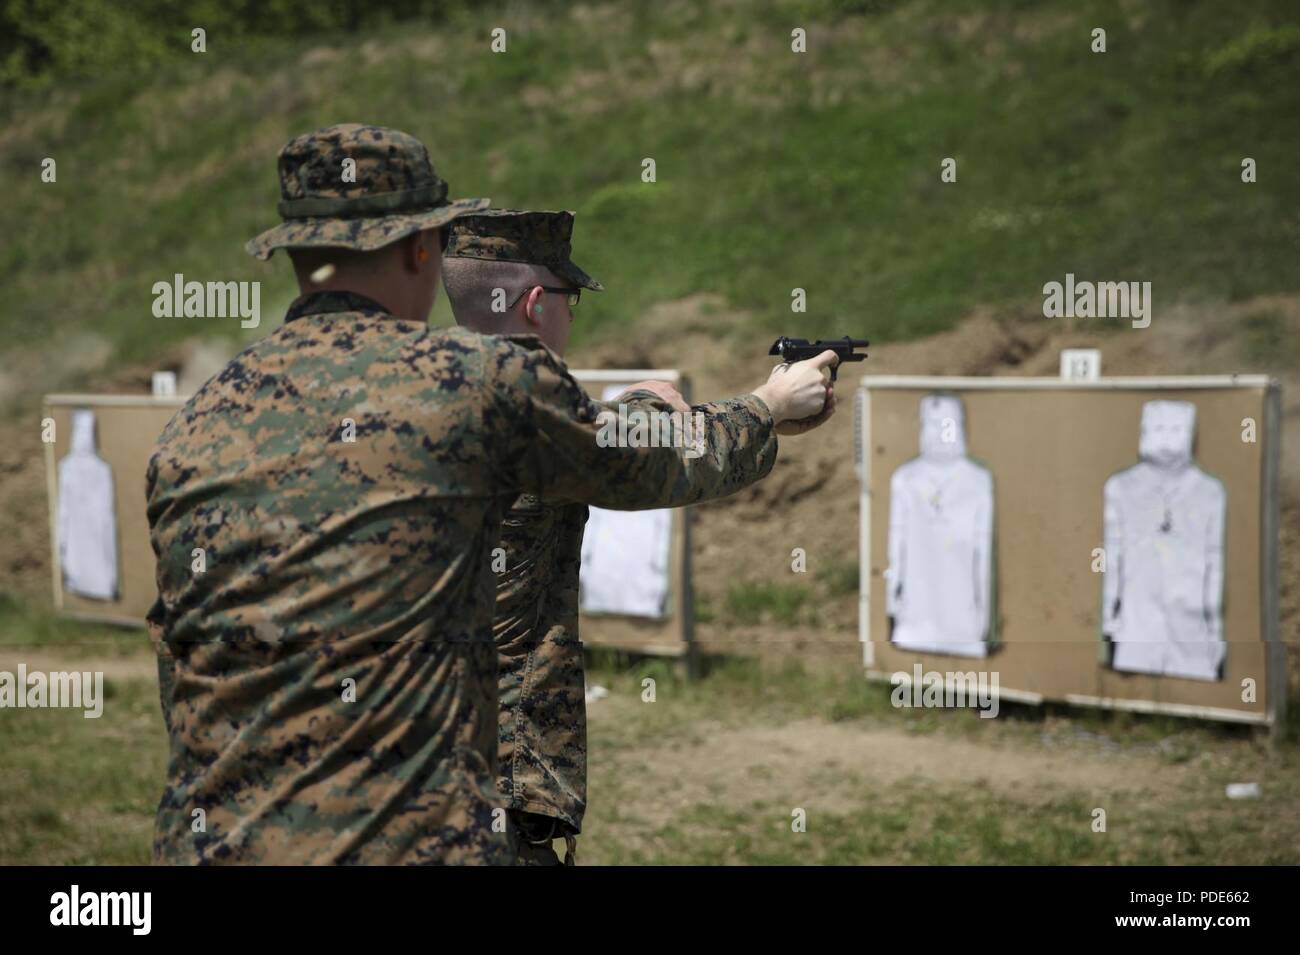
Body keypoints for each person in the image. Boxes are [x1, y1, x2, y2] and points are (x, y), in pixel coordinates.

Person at [145, 125, 838, 864]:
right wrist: (766, 408)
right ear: (422, 250)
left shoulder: (197, 422)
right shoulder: (477, 382)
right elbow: (640, 463)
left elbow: (177, 648)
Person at [442, 209, 837, 864]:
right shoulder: (523, 405)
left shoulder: (421, 396)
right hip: (501, 781)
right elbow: (647, 459)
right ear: (538, 303)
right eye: (570, 302)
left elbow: (601, 438)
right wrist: (769, 405)